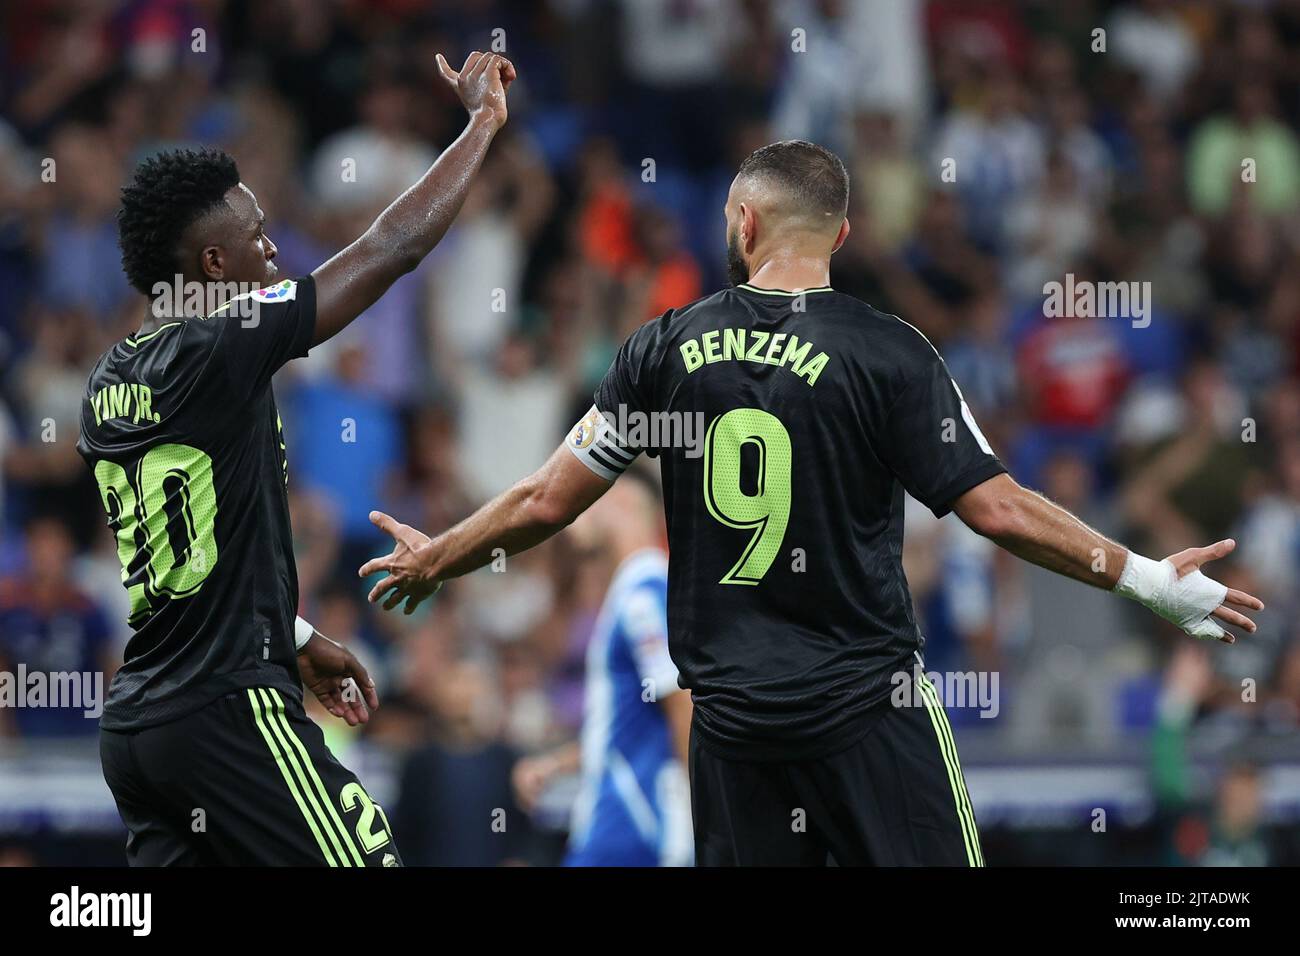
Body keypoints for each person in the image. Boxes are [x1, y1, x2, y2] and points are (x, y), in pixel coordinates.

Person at [359, 139, 1264, 867]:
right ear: (837, 238)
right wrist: (1148, 578)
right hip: (869, 713)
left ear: (744, 222)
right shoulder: (891, 352)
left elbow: (547, 497)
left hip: (733, 734)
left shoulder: (664, 348)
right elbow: (1001, 512)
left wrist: (441, 553)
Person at [77, 51, 514, 866]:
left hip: (140, 728)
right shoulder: (223, 343)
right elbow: (391, 247)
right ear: (213, 265)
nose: (275, 252)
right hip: (226, 715)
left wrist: (298, 631)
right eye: (257, 237)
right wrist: (482, 123)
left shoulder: (108, 380)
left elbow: (183, 561)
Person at [512, 468, 693, 866]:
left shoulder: (644, 593)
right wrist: (557, 764)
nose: (572, 511)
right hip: (623, 829)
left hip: (633, 832)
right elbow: (635, 724)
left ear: (620, 501)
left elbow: (683, 706)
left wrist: (700, 821)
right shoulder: (636, 590)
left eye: (585, 498)